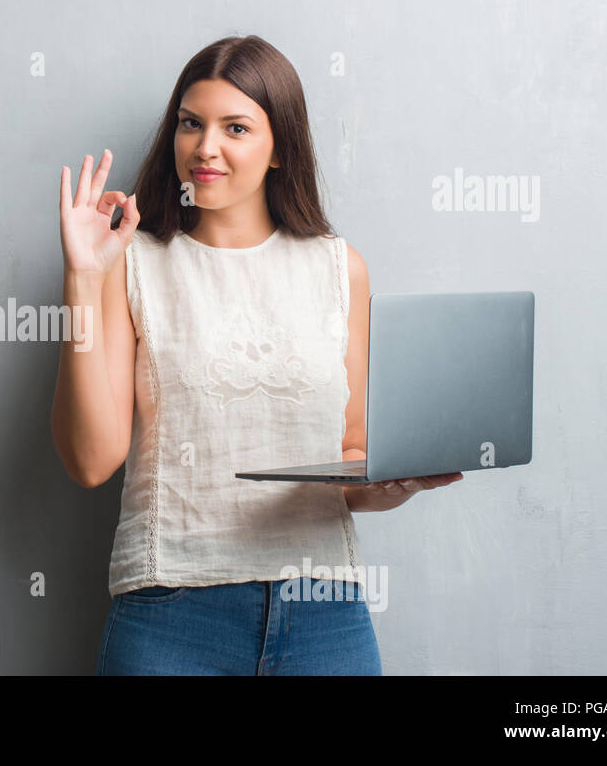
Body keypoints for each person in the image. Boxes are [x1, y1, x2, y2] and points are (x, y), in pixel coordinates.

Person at [50, 35, 463, 676]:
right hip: (173, 610)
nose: (204, 148)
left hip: (324, 608)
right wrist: (81, 276)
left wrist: (389, 487)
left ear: (280, 148)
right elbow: (90, 461)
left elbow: (351, 451)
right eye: (191, 123)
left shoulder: (339, 268)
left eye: (235, 127)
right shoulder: (132, 264)